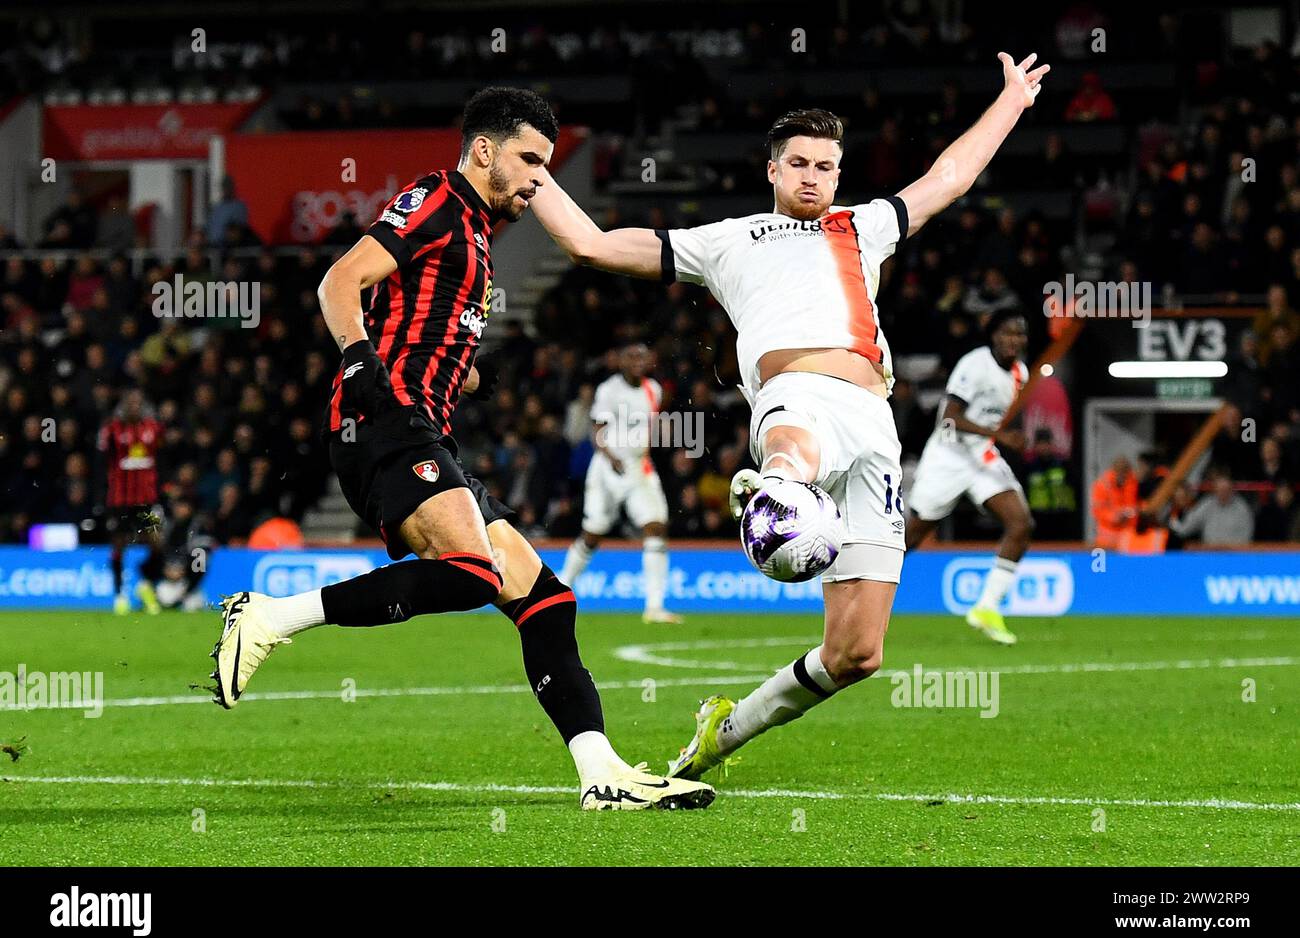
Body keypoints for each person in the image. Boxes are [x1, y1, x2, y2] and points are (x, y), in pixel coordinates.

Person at [529, 53, 1049, 780]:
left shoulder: (865, 226)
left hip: (874, 425)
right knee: (793, 447)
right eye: (798, 162)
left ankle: (724, 730)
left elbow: (950, 179)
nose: (812, 175)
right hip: (796, 395)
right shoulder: (727, 239)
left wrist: (1012, 103)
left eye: (826, 165)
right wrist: (534, 169)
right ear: (772, 170)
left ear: (839, 176)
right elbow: (589, 243)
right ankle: (771, 486)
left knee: (857, 654)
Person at [209, 87, 712, 812]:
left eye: (546, 164)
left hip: (428, 427)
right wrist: (357, 358)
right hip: (383, 422)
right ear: (485, 150)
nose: (541, 178)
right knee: (475, 573)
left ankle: (602, 775)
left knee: (545, 599)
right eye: (530, 160)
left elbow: (423, 321)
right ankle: (268, 616)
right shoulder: (436, 198)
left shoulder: (478, 234)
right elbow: (340, 281)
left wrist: (466, 371)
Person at [904, 311, 1031, 644]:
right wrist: (999, 435)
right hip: (948, 454)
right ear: (993, 335)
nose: (1013, 340)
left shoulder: (1021, 374)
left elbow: (1000, 419)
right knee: (912, 534)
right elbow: (948, 419)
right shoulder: (974, 364)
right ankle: (861, 589)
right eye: (1006, 333)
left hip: (982, 456)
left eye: (1019, 334)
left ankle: (987, 607)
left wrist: (1010, 436)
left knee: (1021, 524)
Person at [558, 343, 682, 623]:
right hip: (608, 468)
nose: (638, 361)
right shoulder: (609, 390)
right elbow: (598, 430)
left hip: (640, 468)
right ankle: (561, 586)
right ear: (621, 362)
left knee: (655, 526)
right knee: (594, 532)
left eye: (642, 357)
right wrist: (611, 456)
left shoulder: (654, 389)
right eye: (632, 357)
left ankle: (654, 607)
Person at [98, 388, 165, 615]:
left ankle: (145, 583)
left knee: (157, 543)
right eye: (130, 403)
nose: (134, 407)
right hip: (120, 500)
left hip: (146, 500)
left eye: (138, 402)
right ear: (124, 405)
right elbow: (100, 460)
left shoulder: (153, 429)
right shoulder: (111, 430)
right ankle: (119, 595)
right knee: (119, 544)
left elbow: (163, 456)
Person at [1091, 455, 1139, 549]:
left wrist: (1133, 511)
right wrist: (1114, 517)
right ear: (1115, 470)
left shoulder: (1133, 483)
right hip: (1108, 539)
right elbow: (1098, 510)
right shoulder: (1102, 485)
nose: (1124, 475)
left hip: (1129, 537)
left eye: (1126, 472)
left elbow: (1136, 504)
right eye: (1121, 472)